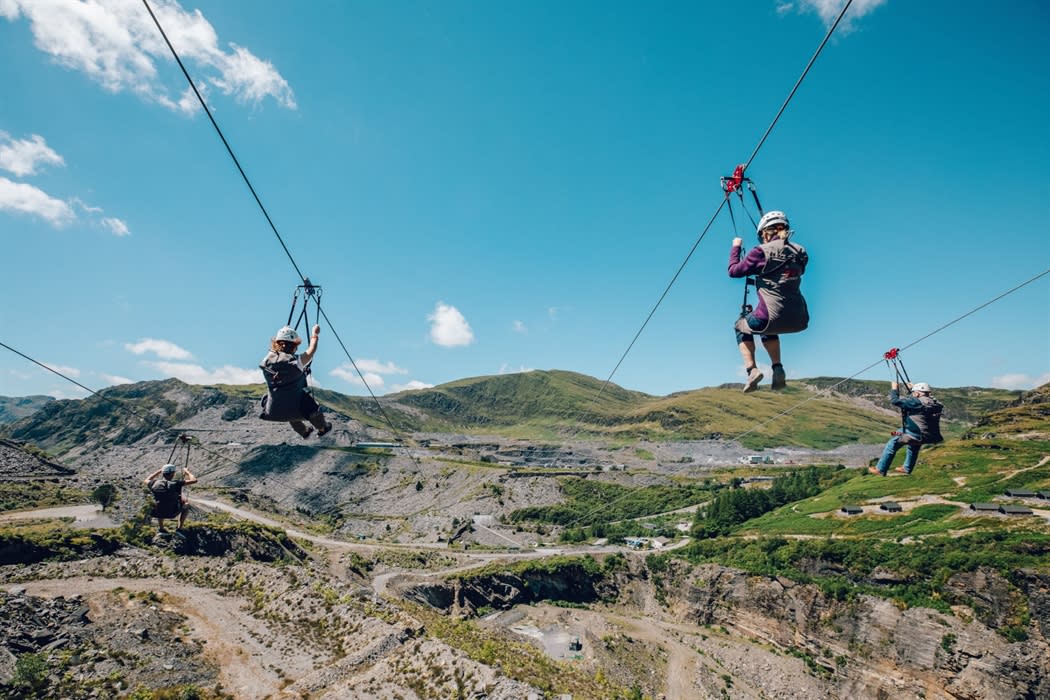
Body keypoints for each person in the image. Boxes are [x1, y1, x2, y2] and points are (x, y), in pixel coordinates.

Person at [728, 210, 809, 392]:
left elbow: (734, 271)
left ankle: (752, 370)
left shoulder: (760, 252)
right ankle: (777, 367)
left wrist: (736, 247)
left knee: (740, 325)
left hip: (769, 316)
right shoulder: (801, 252)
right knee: (767, 323)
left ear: (765, 232)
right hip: (800, 318)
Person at [259, 324, 333, 438]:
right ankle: (322, 428)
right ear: (293, 346)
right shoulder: (296, 362)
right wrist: (315, 334)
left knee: (281, 398)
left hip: (273, 410)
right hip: (297, 409)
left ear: (275, 343)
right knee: (304, 400)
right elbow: (311, 351)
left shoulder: (265, 361)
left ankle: (304, 432)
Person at [868, 381, 944, 476]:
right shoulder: (936, 403)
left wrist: (894, 389)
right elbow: (918, 403)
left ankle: (881, 469)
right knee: (913, 444)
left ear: (917, 393)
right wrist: (913, 392)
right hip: (930, 436)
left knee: (893, 442)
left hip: (916, 434)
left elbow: (895, 401)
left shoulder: (916, 402)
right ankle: (907, 468)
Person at [144, 463, 197, 531]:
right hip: (172, 513)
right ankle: (179, 528)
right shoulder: (176, 483)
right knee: (186, 505)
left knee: (160, 502)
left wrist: (159, 471)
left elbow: (146, 479)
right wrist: (187, 472)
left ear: (163, 473)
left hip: (156, 513)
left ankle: (161, 528)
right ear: (172, 474)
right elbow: (194, 480)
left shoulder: (154, 483)